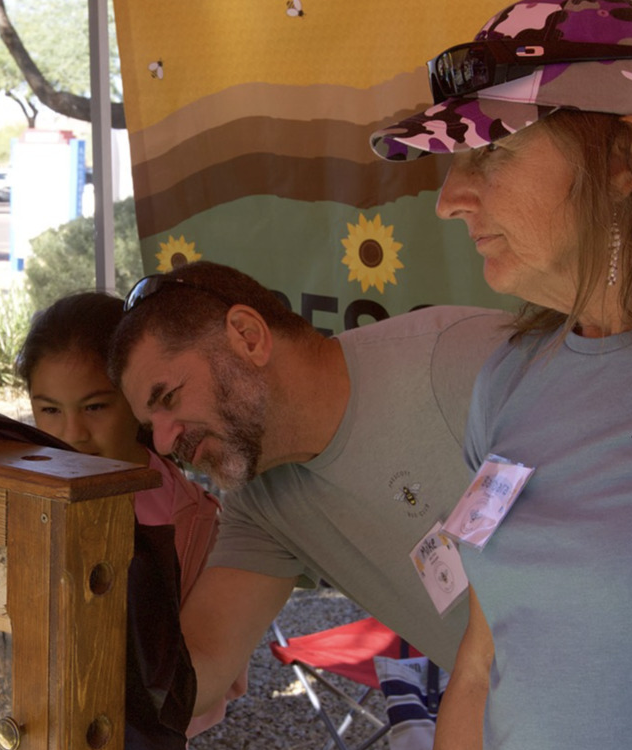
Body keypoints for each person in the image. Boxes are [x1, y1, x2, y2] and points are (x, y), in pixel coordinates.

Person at [369, 1, 632, 750]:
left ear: (623, 159)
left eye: (491, 155)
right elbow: (482, 658)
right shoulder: (510, 382)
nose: (449, 198)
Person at [108, 261, 512, 726]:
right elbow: (198, 666)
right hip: (522, 733)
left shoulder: (461, 361)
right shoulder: (261, 503)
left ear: (248, 336)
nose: (162, 442)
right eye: (150, 425)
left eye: (170, 398)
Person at [15, 291, 244, 737]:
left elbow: (213, 681)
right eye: (49, 410)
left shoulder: (190, 520)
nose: (72, 434)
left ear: (139, 401)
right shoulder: (16, 491)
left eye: (95, 407)